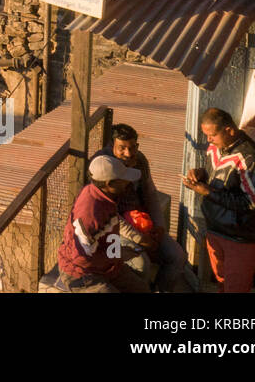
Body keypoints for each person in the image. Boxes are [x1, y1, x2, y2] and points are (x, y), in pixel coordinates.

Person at [183, 107, 255, 293]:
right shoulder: (216, 147)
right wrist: (201, 174)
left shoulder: (251, 159)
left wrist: (208, 192)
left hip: (239, 237)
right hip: (216, 229)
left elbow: (252, 203)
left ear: (229, 130)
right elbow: (218, 175)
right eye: (206, 135)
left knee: (235, 288)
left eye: (213, 135)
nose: (208, 140)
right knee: (223, 285)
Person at [96, 123, 188, 291]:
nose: (128, 153)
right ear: (111, 146)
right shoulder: (103, 166)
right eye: (122, 148)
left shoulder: (140, 161)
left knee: (177, 256)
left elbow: (150, 194)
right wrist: (139, 238)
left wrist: (160, 227)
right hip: (112, 232)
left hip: (141, 223)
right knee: (141, 264)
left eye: (132, 148)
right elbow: (109, 215)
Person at [56, 154, 150, 292]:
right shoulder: (90, 214)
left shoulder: (103, 196)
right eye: (123, 180)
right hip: (82, 274)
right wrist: (117, 255)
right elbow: (82, 258)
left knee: (141, 289)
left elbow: (110, 228)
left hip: (107, 265)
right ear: (110, 184)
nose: (128, 182)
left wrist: (118, 253)